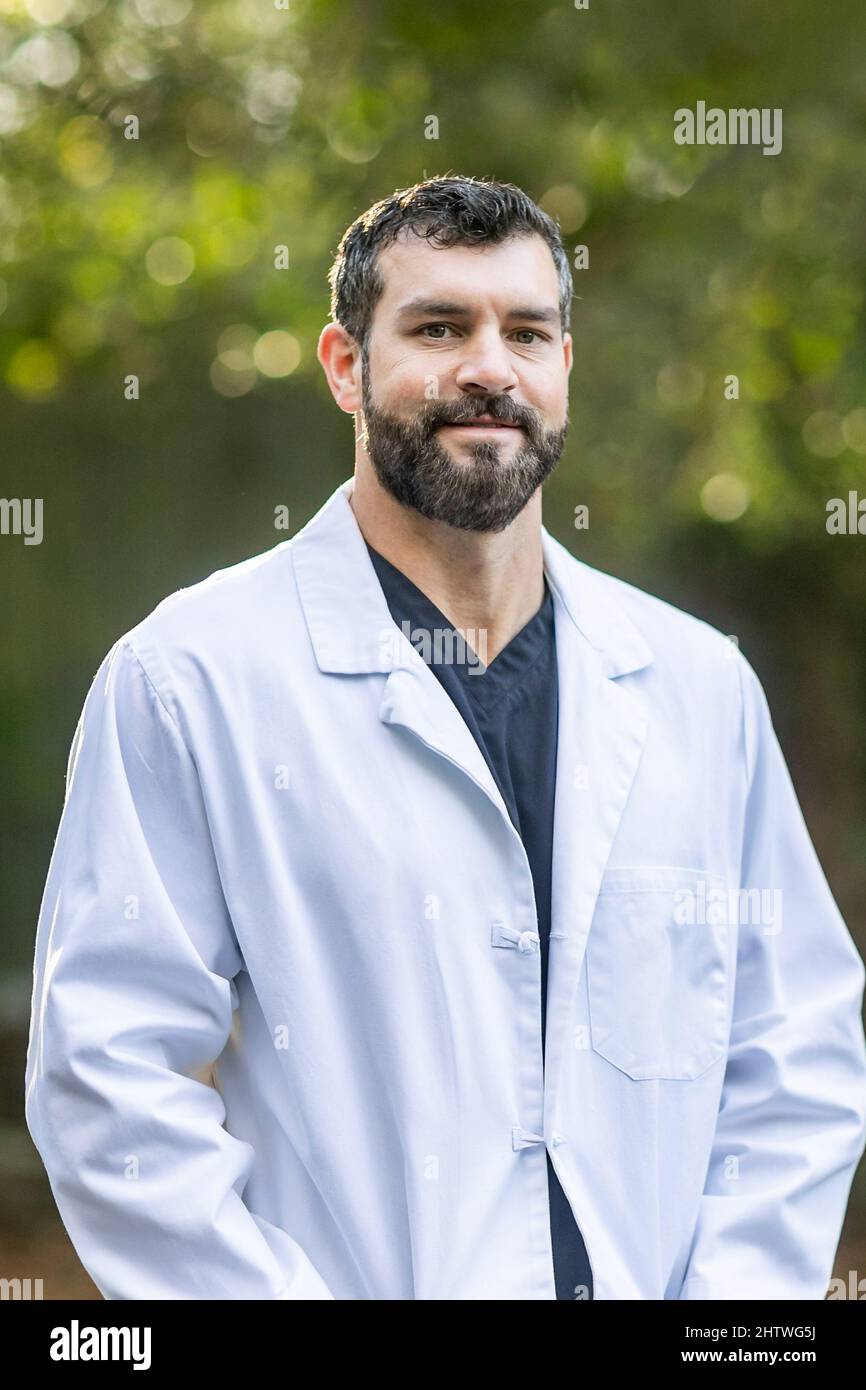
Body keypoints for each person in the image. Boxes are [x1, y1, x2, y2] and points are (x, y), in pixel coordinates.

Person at [24, 176, 866, 1300]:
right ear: (342, 366)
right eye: (436, 327)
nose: (487, 366)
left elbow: (795, 1048)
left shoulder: (695, 683)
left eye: (524, 331)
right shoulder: (190, 679)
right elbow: (108, 1082)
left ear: (564, 367)